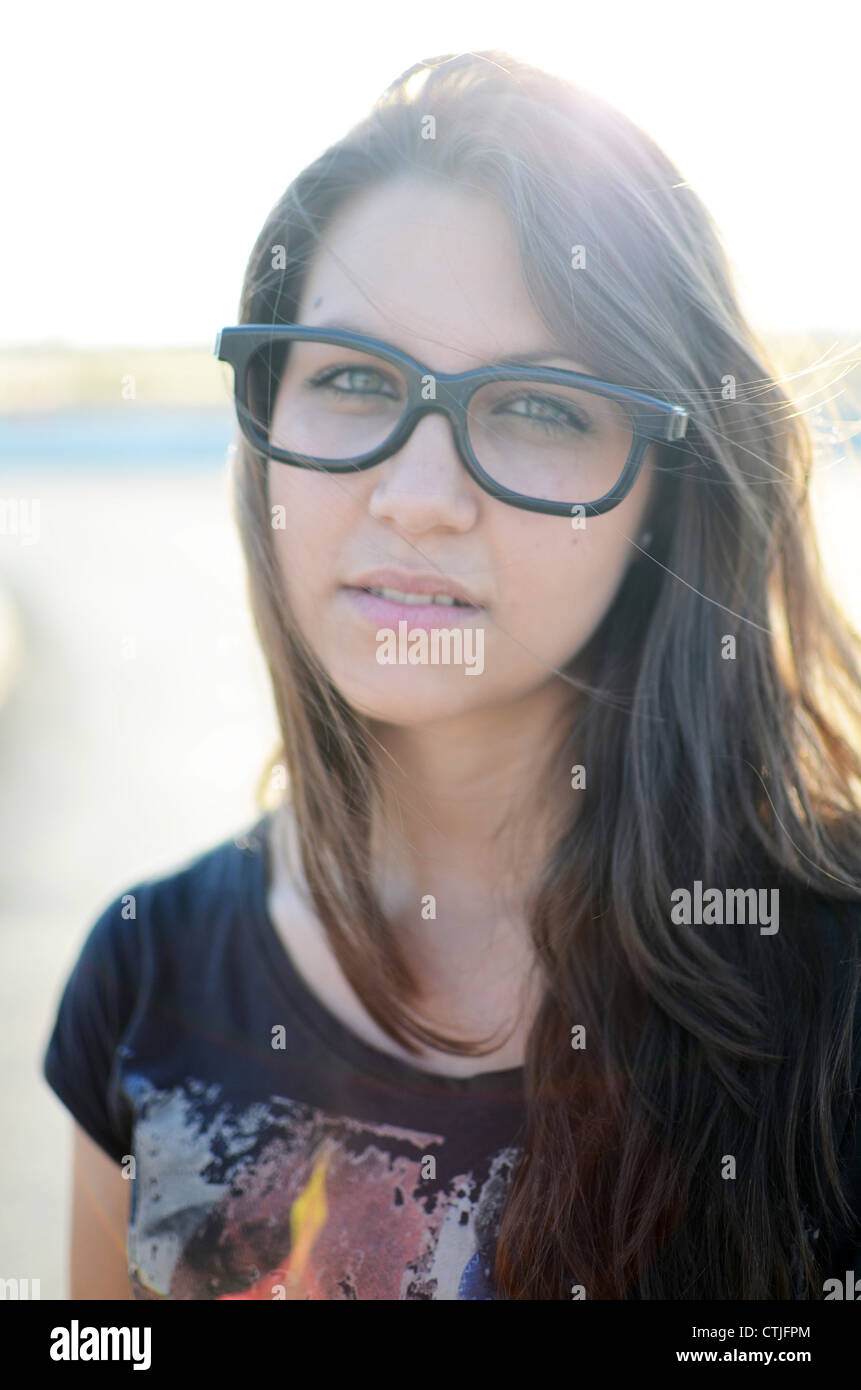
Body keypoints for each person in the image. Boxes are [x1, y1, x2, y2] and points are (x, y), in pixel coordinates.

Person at [43, 50, 861, 1301]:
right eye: (351, 379)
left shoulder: (836, 986)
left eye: (538, 406)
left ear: (667, 484)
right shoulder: (147, 976)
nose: (420, 497)